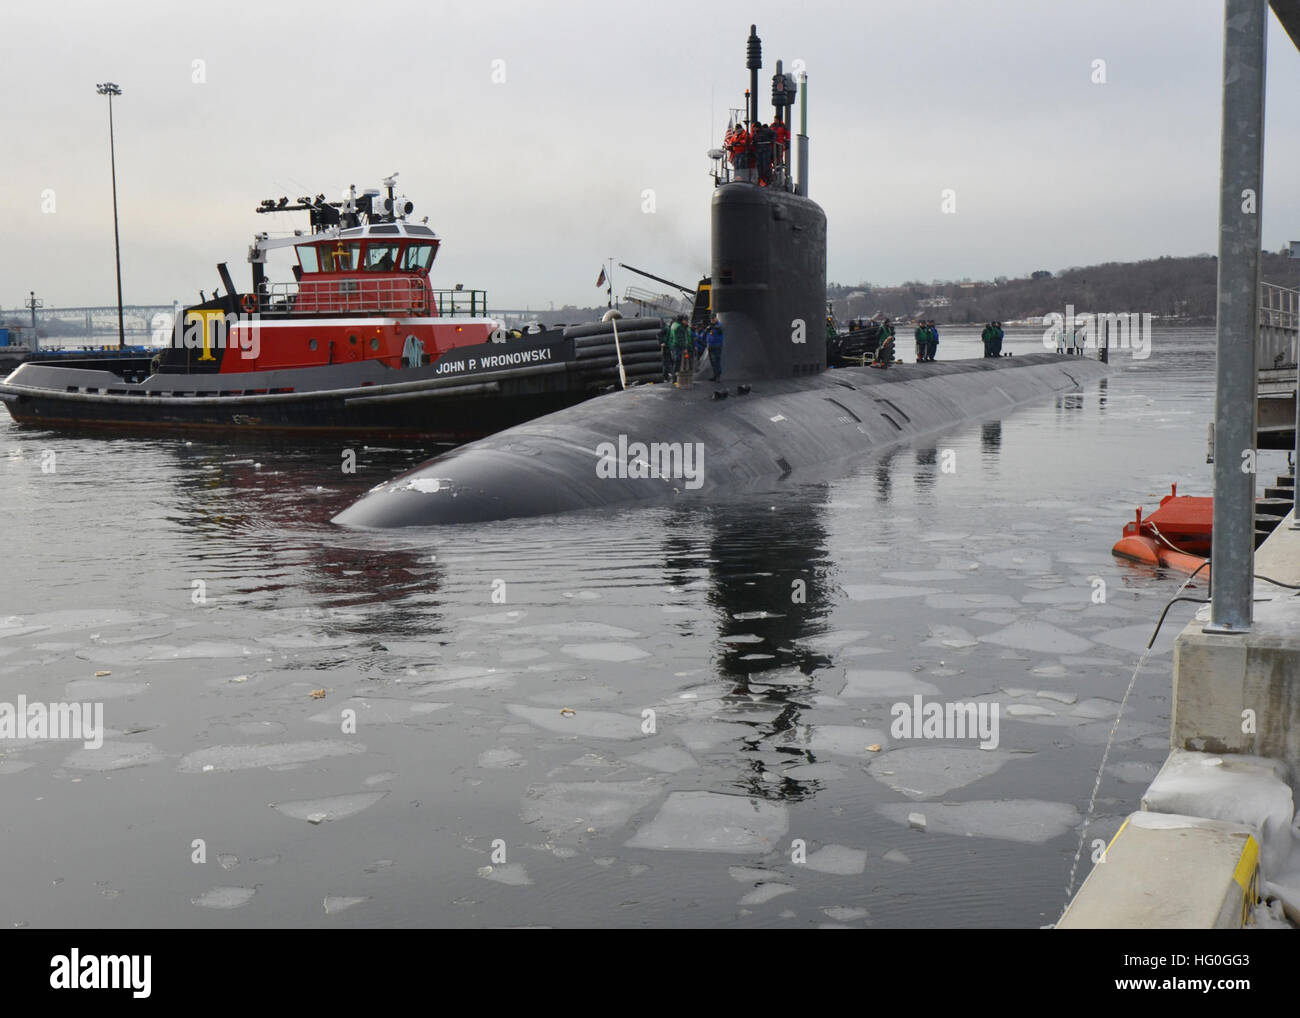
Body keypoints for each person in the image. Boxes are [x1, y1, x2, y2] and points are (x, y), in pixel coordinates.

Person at [754, 121, 774, 186]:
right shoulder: (756, 134)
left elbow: (774, 134)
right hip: (759, 151)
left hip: (766, 150)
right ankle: (760, 180)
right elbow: (754, 140)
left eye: (755, 127)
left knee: (766, 165)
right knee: (759, 166)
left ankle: (768, 181)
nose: (754, 129)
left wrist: (772, 140)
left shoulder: (766, 131)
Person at [704, 313, 724, 381]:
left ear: (716, 318)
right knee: (712, 361)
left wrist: (714, 326)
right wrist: (707, 330)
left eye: (713, 319)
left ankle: (718, 376)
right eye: (711, 319)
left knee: (717, 361)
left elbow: (720, 330)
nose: (712, 320)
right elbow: (706, 334)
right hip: (710, 346)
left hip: (717, 345)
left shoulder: (719, 325)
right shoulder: (710, 326)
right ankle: (715, 375)